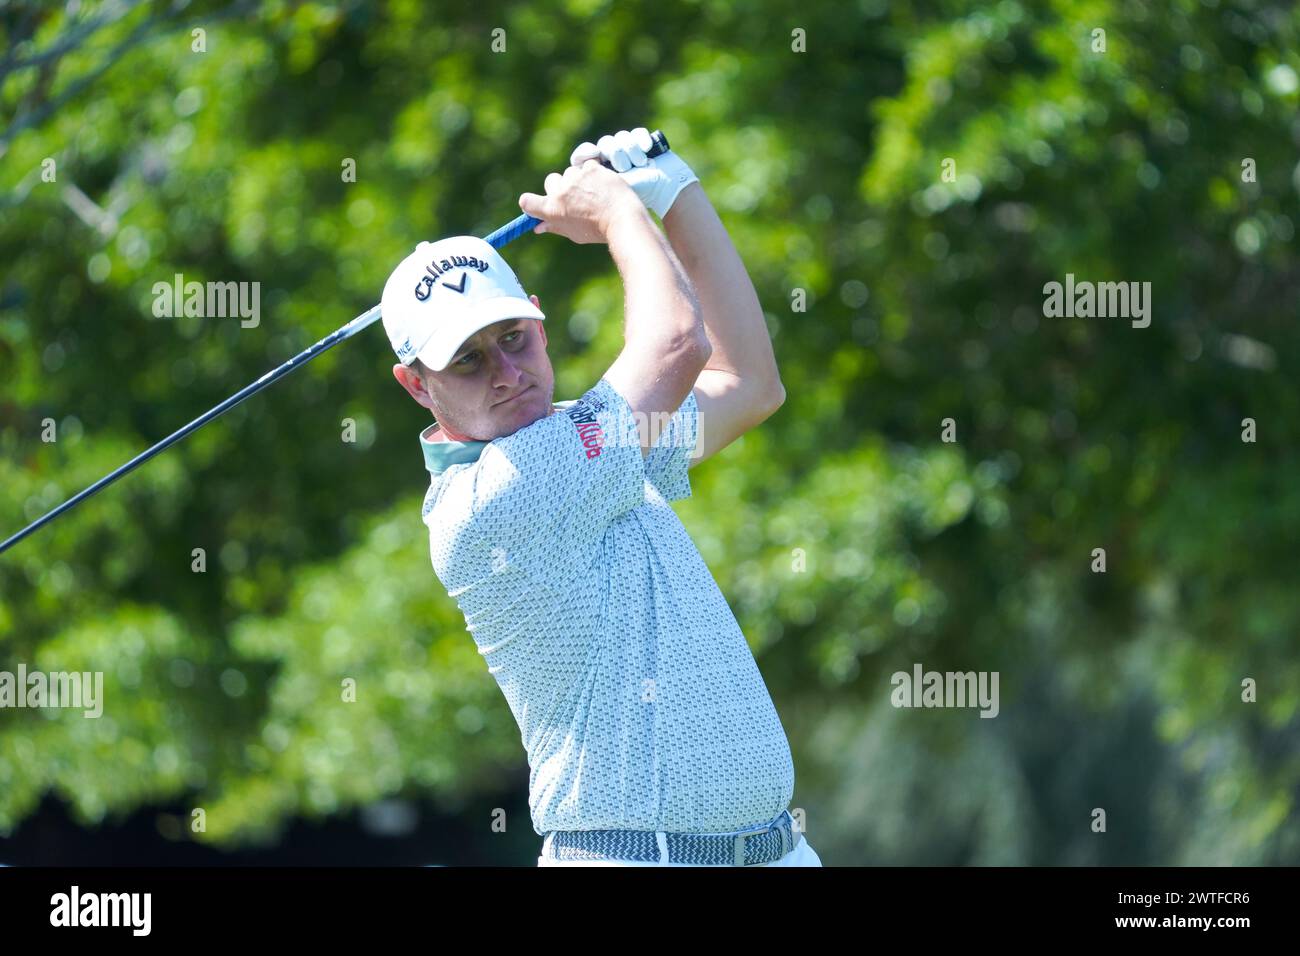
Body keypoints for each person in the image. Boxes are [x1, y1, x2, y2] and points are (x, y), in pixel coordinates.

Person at [379, 128, 820, 866]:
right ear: (417, 385)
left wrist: (675, 192)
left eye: (513, 337)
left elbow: (748, 383)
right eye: (466, 360)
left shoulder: (596, 447)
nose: (505, 373)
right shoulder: (495, 499)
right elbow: (679, 344)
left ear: (541, 320)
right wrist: (619, 214)